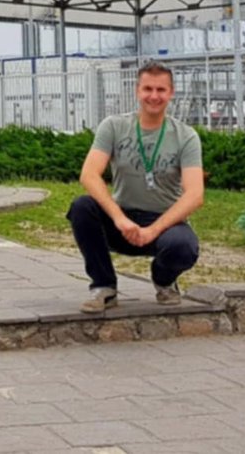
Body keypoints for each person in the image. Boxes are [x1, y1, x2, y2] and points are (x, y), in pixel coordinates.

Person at [68, 61, 204, 313]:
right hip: (122, 221)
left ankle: (163, 280)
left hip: (165, 222)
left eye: (161, 90)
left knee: (184, 248)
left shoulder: (186, 136)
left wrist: (153, 230)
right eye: (147, 89)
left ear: (171, 93)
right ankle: (104, 287)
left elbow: (195, 194)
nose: (154, 96)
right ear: (137, 91)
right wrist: (119, 218)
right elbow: (89, 175)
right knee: (81, 207)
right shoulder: (114, 126)